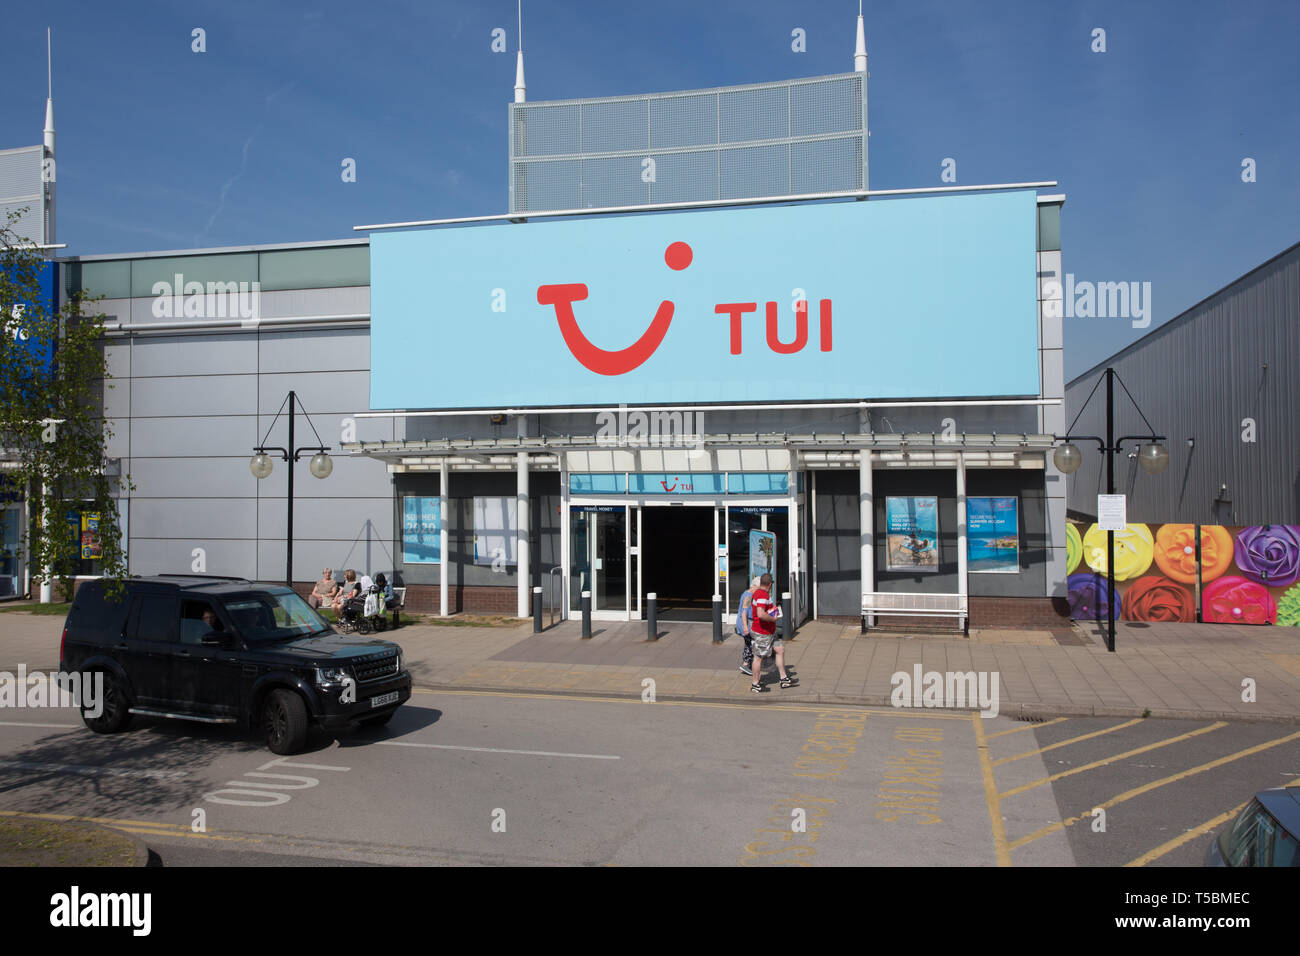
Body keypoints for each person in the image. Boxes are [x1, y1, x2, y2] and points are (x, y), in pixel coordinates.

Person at [749, 572, 795, 692]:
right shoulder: (763, 595)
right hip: (762, 632)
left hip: (769, 631)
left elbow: (761, 610)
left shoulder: (758, 593)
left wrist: (772, 610)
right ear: (770, 584)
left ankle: (784, 679)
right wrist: (773, 618)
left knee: (780, 650)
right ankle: (755, 684)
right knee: (758, 657)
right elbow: (760, 613)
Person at [736, 575, 761, 676]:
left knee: (748, 643)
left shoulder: (748, 593)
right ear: (754, 586)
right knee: (750, 644)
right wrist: (745, 626)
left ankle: (747, 664)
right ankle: (745, 664)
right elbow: (744, 613)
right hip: (745, 624)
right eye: (758, 589)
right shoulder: (748, 596)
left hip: (746, 623)